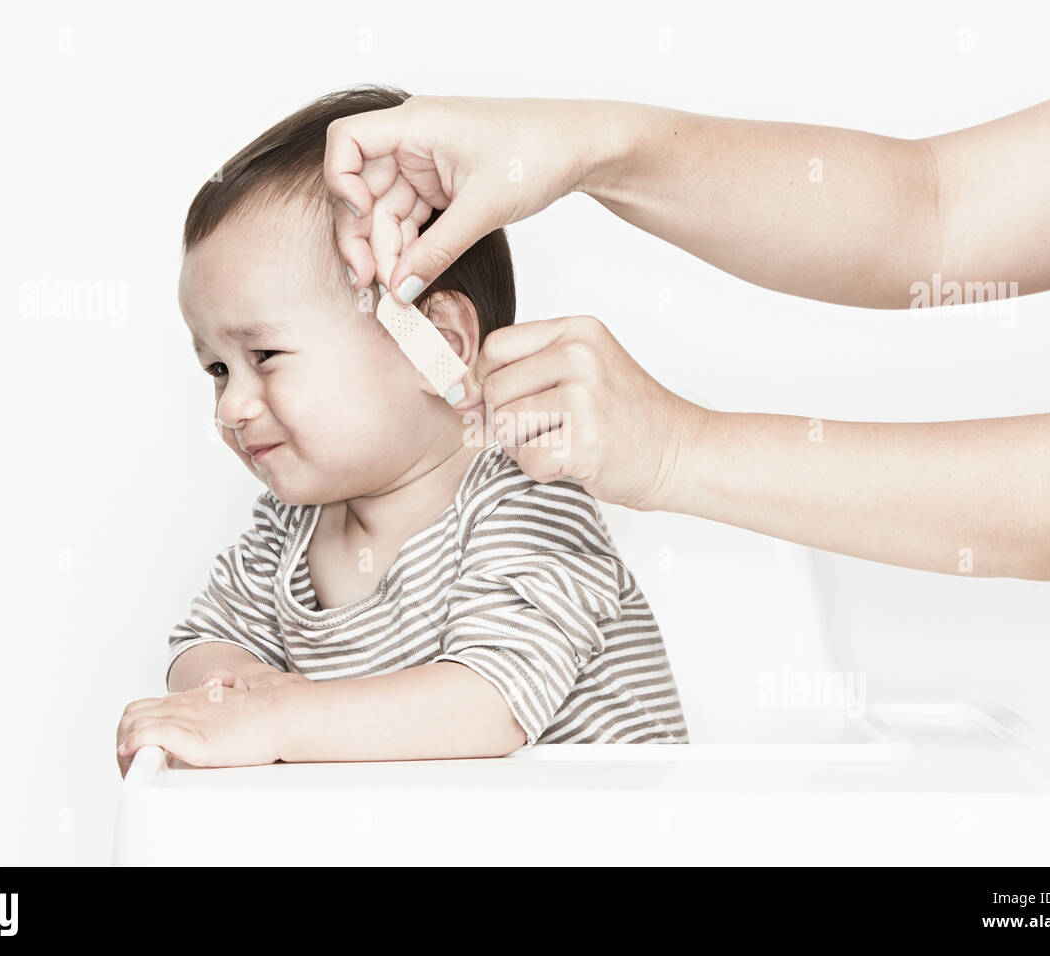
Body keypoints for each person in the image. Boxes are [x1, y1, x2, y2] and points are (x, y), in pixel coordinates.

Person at [323, 38, 1050, 582]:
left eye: (270, 355)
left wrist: (683, 451)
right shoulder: (281, 545)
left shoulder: (523, 546)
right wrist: (593, 146)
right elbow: (942, 210)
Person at [115, 87, 689, 778]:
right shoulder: (287, 531)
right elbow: (203, 639)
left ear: (434, 346)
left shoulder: (527, 496)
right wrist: (229, 692)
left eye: (263, 356)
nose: (231, 406)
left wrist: (276, 717)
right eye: (216, 368)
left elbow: (490, 702)